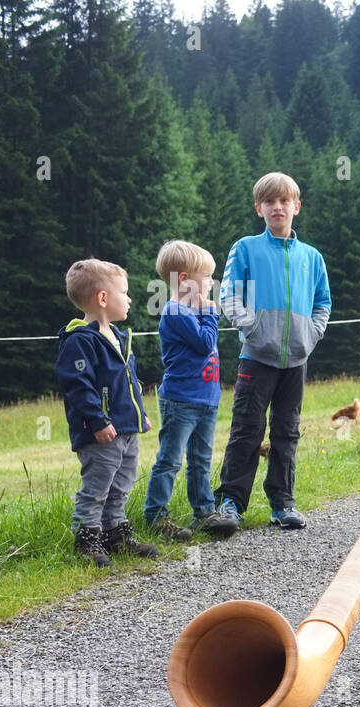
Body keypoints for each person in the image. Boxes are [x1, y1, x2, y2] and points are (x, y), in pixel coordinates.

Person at [213, 172, 331, 532]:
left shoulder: (311, 257)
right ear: (259, 208)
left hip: (297, 360)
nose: (277, 207)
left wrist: (310, 335)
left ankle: (283, 503)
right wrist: (253, 328)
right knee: (247, 429)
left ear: (296, 207)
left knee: (287, 431)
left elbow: (323, 303)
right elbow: (229, 295)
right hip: (256, 358)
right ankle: (231, 503)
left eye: (284, 201)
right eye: (269, 202)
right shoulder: (246, 248)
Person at [56, 259, 158, 566]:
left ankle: (116, 534)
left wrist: (140, 414)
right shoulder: (80, 342)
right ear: (103, 298)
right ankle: (87, 539)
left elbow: (129, 383)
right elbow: (78, 387)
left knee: (121, 486)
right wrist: (97, 421)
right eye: (124, 292)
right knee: (97, 488)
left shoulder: (119, 338)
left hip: (127, 430)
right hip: (100, 433)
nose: (129, 299)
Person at [142, 240, 236, 540]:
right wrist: (210, 313)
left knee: (200, 460)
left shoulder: (192, 312)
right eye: (206, 276)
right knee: (170, 459)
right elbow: (205, 343)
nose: (211, 282)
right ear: (183, 279)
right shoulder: (175, 312)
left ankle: (204, 511)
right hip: (181, 401)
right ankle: (156, 516)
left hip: (206, 399)